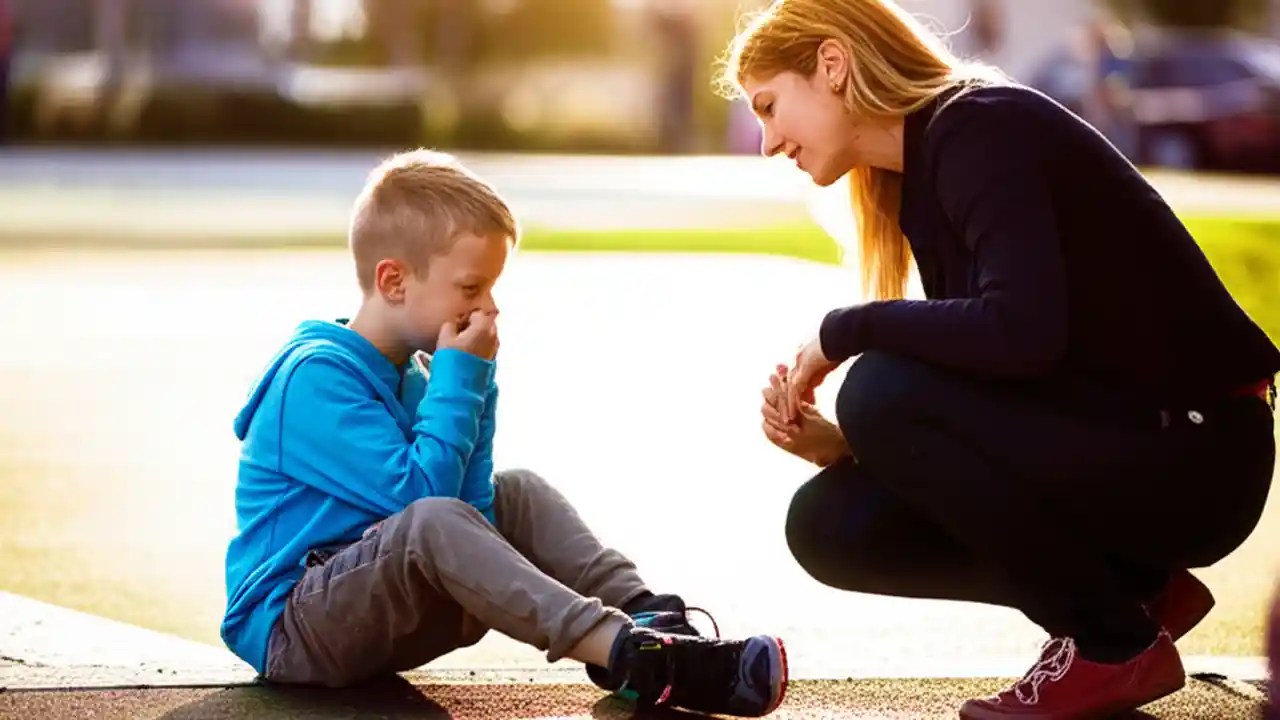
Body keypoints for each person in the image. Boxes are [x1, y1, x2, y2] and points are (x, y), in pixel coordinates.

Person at [718, 0, 1279, 718]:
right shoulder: (919, 177)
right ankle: (1132, 592)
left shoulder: (979, 127)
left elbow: (1020, 333)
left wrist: (843, 330)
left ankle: (1111, 642)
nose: (767, 142)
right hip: (1122, 434)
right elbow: (994, 385)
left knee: (877, 388)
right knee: (828, 523)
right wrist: (843, 447)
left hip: (1201, 452)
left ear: (832, 66)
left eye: (769, 105)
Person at [220, 149, 788, 717]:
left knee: (516, 491)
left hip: (369, 607)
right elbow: (427, 506)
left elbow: (474, 509)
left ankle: (648, 613)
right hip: (293, 628)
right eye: (470, 288)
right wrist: (463, 377)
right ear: (393, 280)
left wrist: (477, 381)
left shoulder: (417, 374)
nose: (488, 307)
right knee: (432, 518)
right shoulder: (313, 379)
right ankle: (631, 655)